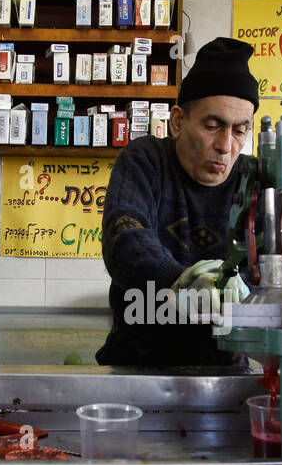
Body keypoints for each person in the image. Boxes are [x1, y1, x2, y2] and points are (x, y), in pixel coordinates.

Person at [96, 37, 260, 367]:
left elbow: (270, 266)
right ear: (177, 121)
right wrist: (183, 282)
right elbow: (125, 238)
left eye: (240, 131)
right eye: (213, 126)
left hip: (224, 373)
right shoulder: (145, 160)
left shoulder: (253, 179)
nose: (226, 145)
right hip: (138, 368)